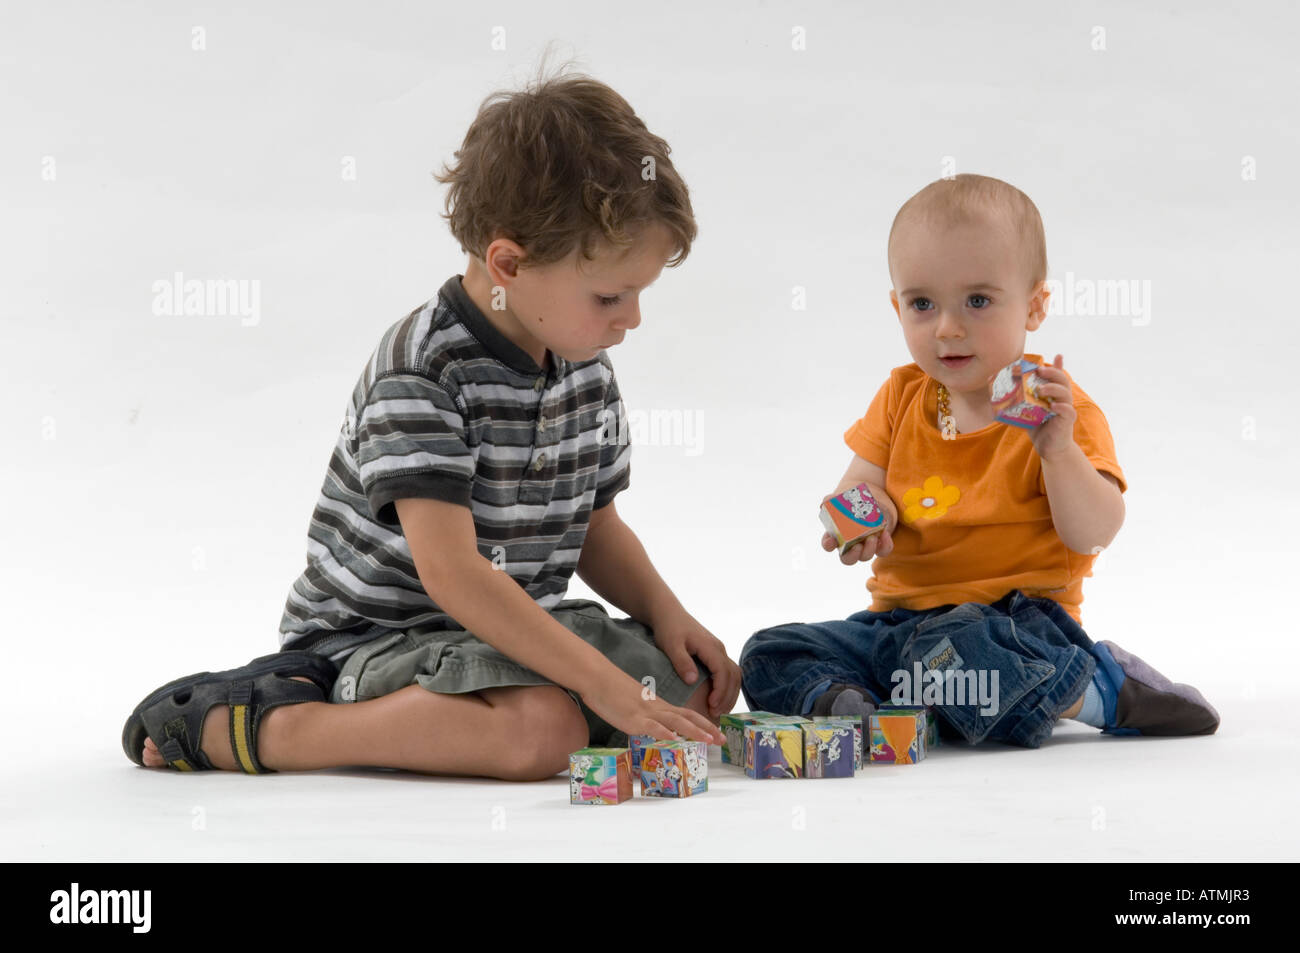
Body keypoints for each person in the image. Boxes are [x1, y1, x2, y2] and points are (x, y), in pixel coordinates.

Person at [123, 68, 739, 779]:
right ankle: (276, 728)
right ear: (509, 263)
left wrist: (668, 613)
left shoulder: (583, 362)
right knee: (543, 732)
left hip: (504, 628)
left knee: (695, 686)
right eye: (611, 295)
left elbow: (595, 525)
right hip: (377, 639)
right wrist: (602, 685)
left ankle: (523, 700)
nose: (632, 318)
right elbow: (453, 575)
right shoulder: (421, 371)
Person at [739, 173, 1219, 749]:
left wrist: (1057, 452)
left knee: (955, 651)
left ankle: (1097, 688)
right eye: (922, 304)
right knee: (768, 651)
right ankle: (856, 706)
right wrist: (858, 521)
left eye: (978, 300)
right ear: (897, 308)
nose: (948, 327)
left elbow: (1094, 533)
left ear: (1035, 306)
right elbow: (861, 488)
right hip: (897, 626)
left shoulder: (1054, 410)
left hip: (1013, 627)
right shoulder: (901, 396)